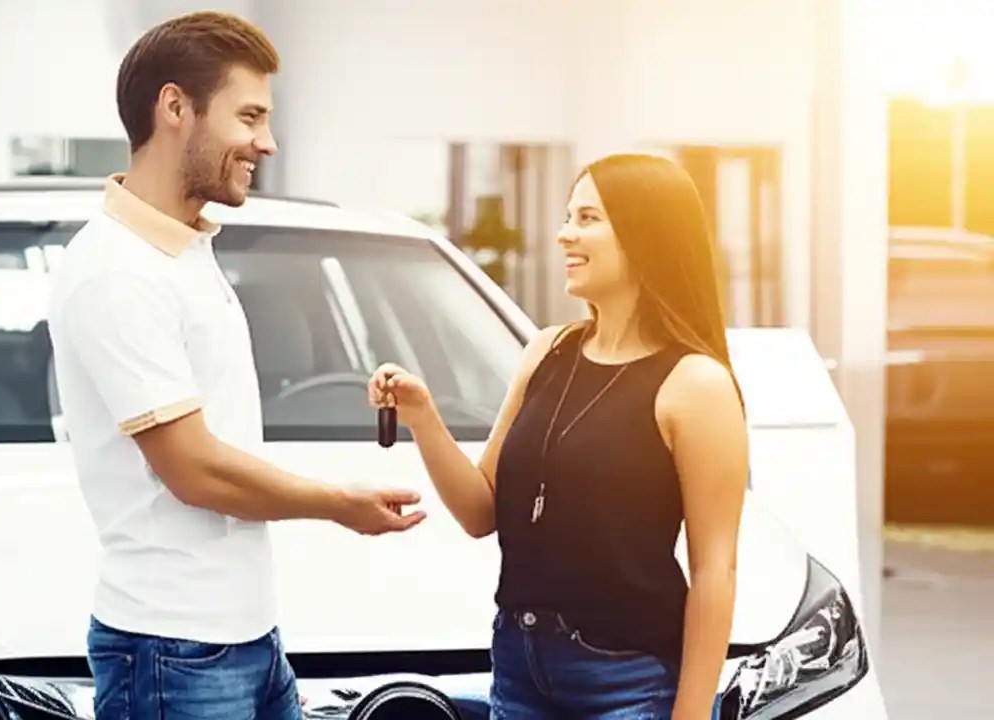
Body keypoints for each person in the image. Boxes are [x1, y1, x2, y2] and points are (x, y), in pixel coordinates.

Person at [47, 11, 425, 720]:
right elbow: (193, 468)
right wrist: (338, 505)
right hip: (173, 652)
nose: (267, 142)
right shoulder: (116, 271)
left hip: (243, 637)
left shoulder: (185, 249)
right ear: (175, 108)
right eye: (249, 116)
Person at [369, 153, 748, 719]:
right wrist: (423, 415)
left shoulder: (695, 384)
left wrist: (690, 716)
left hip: (626, 681)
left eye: (588, 218)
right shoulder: (547, 351)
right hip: (520, 670)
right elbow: (480, 512)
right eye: (569, 216)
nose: (564, 234)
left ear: (647, 235)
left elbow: (715, 571)